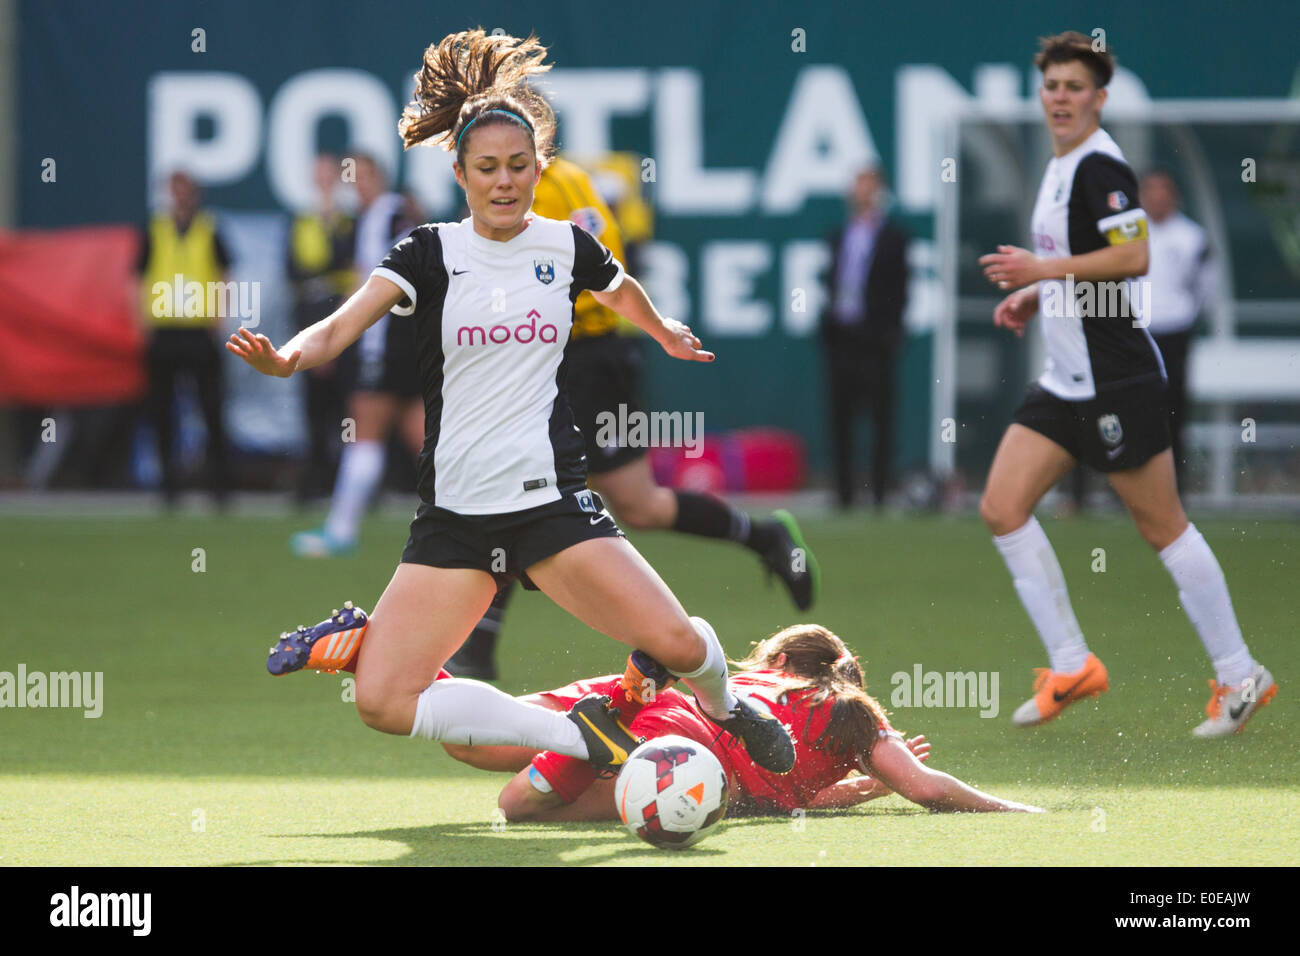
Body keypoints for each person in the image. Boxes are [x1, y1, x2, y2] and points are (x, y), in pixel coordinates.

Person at [229, 29, 795, 775]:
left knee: (680, 647)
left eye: (518, 167)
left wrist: (663, 332)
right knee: (381, 702)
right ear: (459, 173)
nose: (504, 182)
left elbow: (617, 285)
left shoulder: (565, 245)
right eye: (487, 168)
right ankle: (579, 735)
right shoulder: (427, 252)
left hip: (549, 506)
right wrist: (290, 356)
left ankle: (729, 705)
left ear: (540, 168)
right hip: (456, 517)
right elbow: (339, 326)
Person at [977, 31, 1275, 737]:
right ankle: (1071, 663)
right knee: (1000, 506)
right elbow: (1076, 262)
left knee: (1161, 526)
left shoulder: (1099, 165)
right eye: (1052, 85)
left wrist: (1041, 275)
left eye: (1075, 87)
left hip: (1117, 381)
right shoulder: (1060, 167)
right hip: (1066, 381)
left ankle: (1240, 674)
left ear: (1099, 98)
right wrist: (1035, 295)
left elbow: (1133, 255)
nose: (1061, 97)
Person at [447, 153, 818, 679]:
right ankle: (762, 538)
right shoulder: (540, 185)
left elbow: (577, 273)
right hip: (575, 356)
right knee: (625, 502)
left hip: (582, 358)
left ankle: (477, 647)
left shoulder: (552, 189)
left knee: (540, 488)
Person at [268, 616, 1040, 817]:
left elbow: (796, 791)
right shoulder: (848, 714)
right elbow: (931, 789)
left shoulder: (752, 681)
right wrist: (1014, 808)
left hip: (658, 699)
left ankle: (380, 650)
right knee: (516, 807)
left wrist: (856, 793)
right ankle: (618, 720)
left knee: (469, 747)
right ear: (841, 675)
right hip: (679, 752)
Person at [289, 153, 423, 556]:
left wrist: (334, 337)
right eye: (354, 178)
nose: (358, 185)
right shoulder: (391, 215)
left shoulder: (384, 215)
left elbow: (373, 286)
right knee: (424, 438)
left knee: (365, 433)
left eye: (365, 177)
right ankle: (479, 522)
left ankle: (341, 531)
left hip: (384, 345)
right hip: (411, 346)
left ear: (380, 178)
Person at [135, 170, 232, 506]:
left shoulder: (208, 228)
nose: (180, 197)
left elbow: (224, 272)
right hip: (164, 331)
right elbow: (138, 277)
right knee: (163, 412)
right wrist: (142, 322)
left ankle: (219, 488)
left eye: (185, 190)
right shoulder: (156, 229)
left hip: (199, 331)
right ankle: (169, 488)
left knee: (211, 410)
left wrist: (218, 318)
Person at [819, 166, 909, 510]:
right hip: (842, 336)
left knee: (881, 417)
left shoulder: (894, 237)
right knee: (840, 416)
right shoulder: (838, 234)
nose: (863, 193)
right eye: (858, 185)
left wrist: (890, 333)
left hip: (876, 340)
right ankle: (843, 493)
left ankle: (880, 492)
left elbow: (901, 289)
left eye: (869, 186)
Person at [286, 153, 356, 503]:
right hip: (311, 319)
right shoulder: (303, 221)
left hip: (342, 318)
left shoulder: (348, 222)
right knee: (314, 409)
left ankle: (346, 483)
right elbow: (297, 271)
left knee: (346, 411)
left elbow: (349, 269)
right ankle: (314, 481)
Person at [1140, 168, 1214, 485]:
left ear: (1174, 195)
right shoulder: (1129, 233)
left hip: (1175, 331)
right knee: (1134, 407)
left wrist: (1188, 313)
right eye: (1150, 190)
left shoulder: (1191, 236)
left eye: (1163, 190)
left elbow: (1206, 286)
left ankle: (1173, 485)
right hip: (1136, 330)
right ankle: (1130, 484)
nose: (1157, 197)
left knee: (1173, 409)